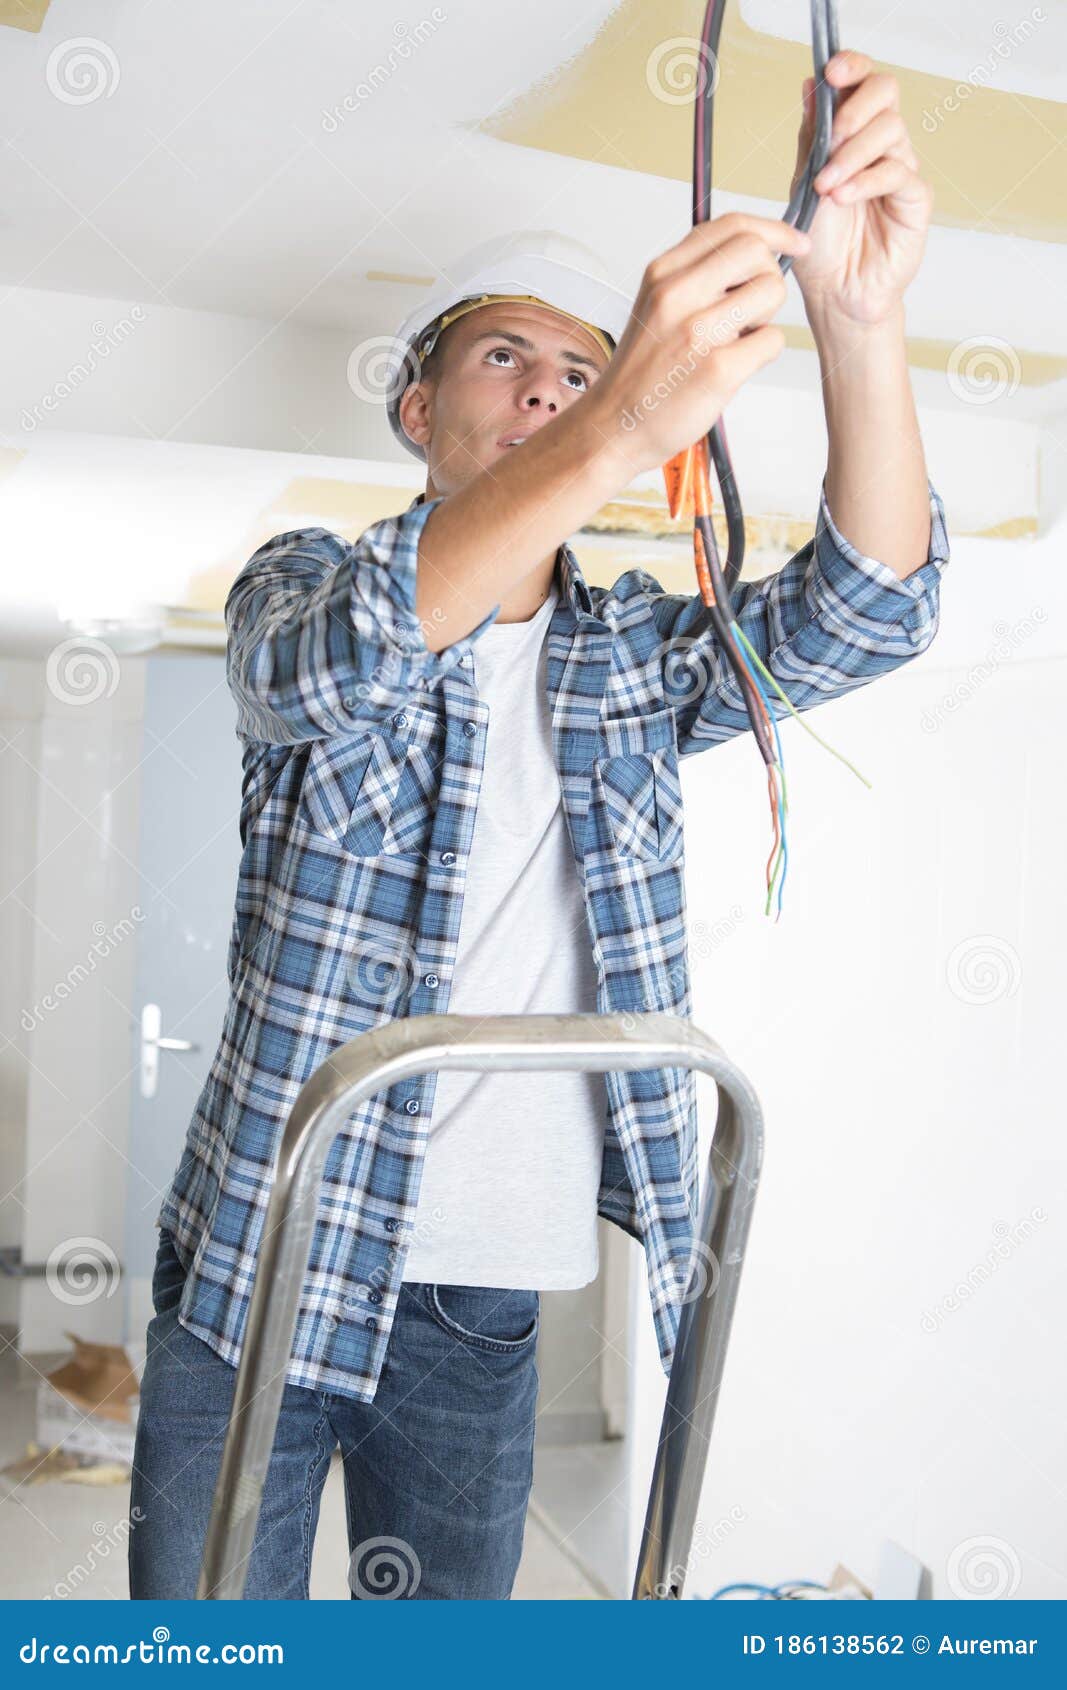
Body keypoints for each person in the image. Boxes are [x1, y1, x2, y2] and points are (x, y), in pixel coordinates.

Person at [130, 48, 950, 1600]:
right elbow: (337, 661)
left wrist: (860, 322)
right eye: (507, 357)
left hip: (488, 1304)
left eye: (581, 372)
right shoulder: (299, 581)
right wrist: (621, 424)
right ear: (417, 407)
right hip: (260, 1273)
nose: (548, 393)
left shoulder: (634, 655)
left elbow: (873, 609)